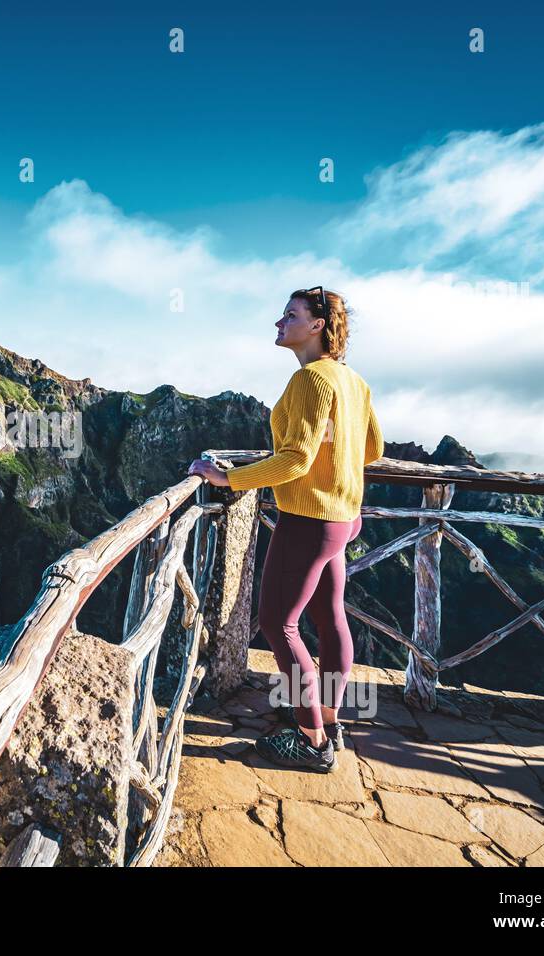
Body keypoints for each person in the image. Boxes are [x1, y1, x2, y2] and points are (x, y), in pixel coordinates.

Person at [188, 287, 384, 772]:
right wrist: (331, 460)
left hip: (309, 521)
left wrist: (227, 478)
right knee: (329, 617)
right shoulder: (352, 382)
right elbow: (372, 449)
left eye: (290, 315)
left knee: (279, 623)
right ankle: (330, 718)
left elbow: (294, 460)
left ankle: (312, 740)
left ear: (317, 325)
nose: (279, 322)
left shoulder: (310, 382)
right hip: (343, 518)